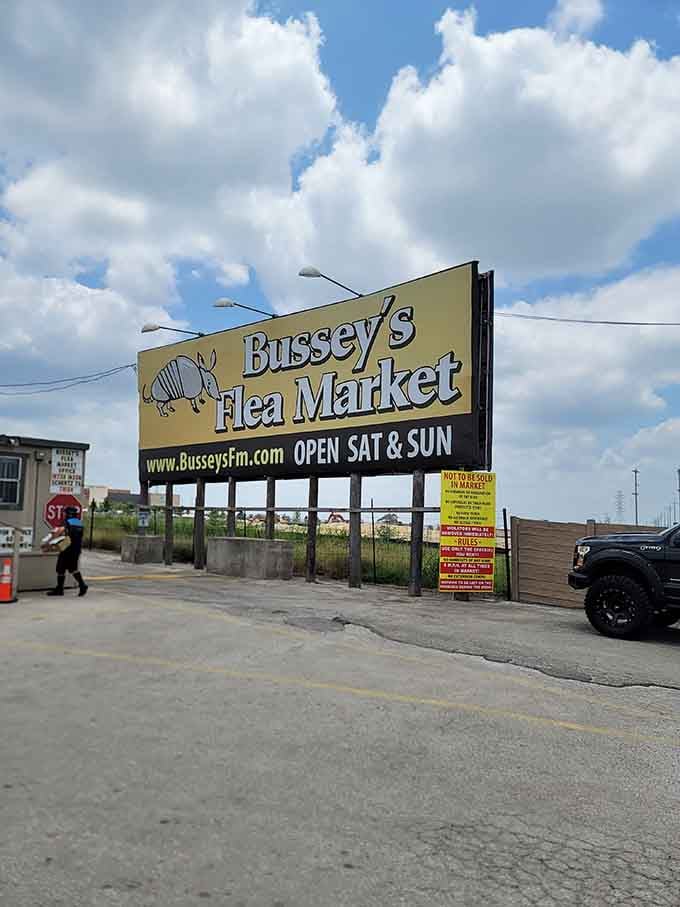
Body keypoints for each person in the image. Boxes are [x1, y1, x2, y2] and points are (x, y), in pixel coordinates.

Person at [45, 506, 88, 597]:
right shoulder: (79, 523)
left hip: (67, 549)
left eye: (65, 513)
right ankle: (82, 585)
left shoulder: (68, 522)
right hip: (76, 549)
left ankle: (60, 589)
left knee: (60, 568)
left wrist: (49, 540)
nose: (64, 515)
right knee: (73, 568)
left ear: (69, 514)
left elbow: (60, 531)